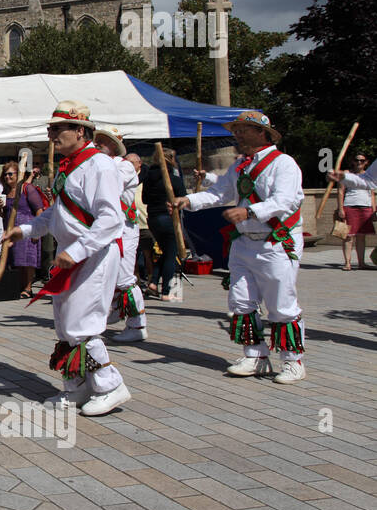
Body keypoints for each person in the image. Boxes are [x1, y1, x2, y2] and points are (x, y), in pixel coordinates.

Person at [3, 101, 131, 416]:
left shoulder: (100, 165)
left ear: (79, 130)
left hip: (93, 253)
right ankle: (77, 387)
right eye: (51, 128)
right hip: (71, 254)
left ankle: (110, 385)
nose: (51, 134)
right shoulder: (69, 166)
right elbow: (56, 215)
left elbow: (111, 219)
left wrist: (75, 251)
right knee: (64, 323)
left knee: (82, 323)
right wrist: (26, 229)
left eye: (57, 128)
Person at [175, 111, 306, 384]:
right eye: (236, 130)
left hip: (276, 241)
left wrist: (248, 212)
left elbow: (284, 200)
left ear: (263, 134)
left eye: (244, 130)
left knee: (281, 303)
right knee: (241, 301)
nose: (237, 134)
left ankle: (293, 361)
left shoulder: (284, 164)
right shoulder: (239, 166)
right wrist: (189, 200)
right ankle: (255, 356)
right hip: (244, 243)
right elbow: (220, 193)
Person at [95, 127, 147, 343]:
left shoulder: (123, 166)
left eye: (102, 141)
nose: (97, 144)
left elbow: (109, 191)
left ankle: (137, 325)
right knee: (108, 273)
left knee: (125, 278)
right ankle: (117, 311)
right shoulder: (99, 165)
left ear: (114, 146)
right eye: (96, 140)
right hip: (109, 229)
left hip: (124, 228)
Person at [142, 147, 187, 301]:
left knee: (167, 251)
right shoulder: (172, 178)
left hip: (153, 218)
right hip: (168, 218)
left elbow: (145, 199)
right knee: (171, 253)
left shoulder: (148, 176)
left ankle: (154, 282)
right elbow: (183, 196)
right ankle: (167, 291)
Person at [4, 158, 46, 299]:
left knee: (28, 259)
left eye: (11, 174)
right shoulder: (6, 191)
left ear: (18, 175)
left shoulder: (27, 188)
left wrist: (37, 231)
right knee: (17, 259)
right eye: (6, 174)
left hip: (28, 226)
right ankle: (19, 286)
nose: (8, 177)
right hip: (13, 228)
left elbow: (39, 209)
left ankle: (28, 288)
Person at [332, 153, 374, 270]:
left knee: (361, 237)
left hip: (365, 207)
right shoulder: (346, 174)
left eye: (362, 160)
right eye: (357, 160)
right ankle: (347, 263)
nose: (359, 163)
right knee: (348, 237)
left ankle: (361, 263)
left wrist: (373, 210)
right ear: (353, 161)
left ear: (366, 162)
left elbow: (371, 194)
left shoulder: (369, 175)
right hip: (350, 206)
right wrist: (340, 208)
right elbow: (340, 191)